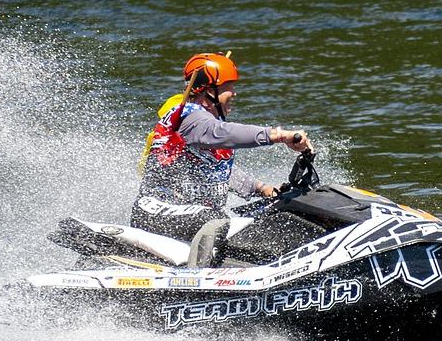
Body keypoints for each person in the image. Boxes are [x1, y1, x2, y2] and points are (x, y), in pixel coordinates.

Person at [132, 52, 313, 246]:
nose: (234, 93)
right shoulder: (189, 118)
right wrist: (278, 135)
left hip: (198, 218)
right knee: (215, 220)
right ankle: (201, 274)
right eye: (228, 87)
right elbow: (224, 132)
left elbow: (215, 169)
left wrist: (263, 189)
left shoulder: (209, 123)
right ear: (207, 90)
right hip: (155, 213)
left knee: (265, 217)